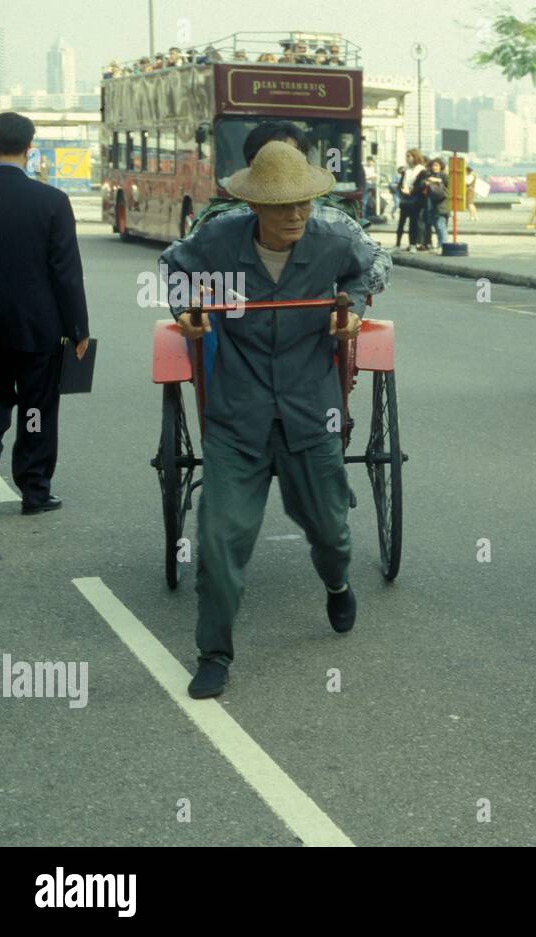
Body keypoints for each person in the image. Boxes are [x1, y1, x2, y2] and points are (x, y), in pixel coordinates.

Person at [160, 141, 384, 699]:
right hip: (238, 411)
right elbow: (171, 269)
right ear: (254, 206)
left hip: (312, 407)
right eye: (283, 207)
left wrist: (353, 307)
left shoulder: (334, 239)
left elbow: (374, 267)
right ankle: (213, 653)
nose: (296, 216)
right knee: (219, 537)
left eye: (304, 204)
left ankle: (336, 582)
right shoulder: (216, 239)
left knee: (330, 530)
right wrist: (185, 311)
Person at [0, 113, 90, 515]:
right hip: (37, 328)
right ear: (31, 149)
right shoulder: (52, 201)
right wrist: (77, 327)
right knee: (34, 408)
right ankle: (34, 490)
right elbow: (65, 272)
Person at [188, 121, 390, 298]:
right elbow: (180, 261)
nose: (294, 215)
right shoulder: (224, 224)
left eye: (294, 159)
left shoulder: (334, 220)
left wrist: (349, 288)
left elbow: (378, 260)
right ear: (253, 166)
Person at [394, 148, 423, 251]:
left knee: (413, 223)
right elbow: (400, 183)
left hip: (415, 200)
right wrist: (401, 189)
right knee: (401, 223)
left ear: (415, 157)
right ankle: (397, 244)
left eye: (409, 156)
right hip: (405, 199)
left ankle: (412, 244)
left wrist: (411, 191)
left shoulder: (421, 170)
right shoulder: (406, 170)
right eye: (406, 156)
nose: (407, 159)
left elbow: (421, 185)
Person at [425, 157, 451, 249]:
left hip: (443, 205)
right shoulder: (429, 176)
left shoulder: (444, 176)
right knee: (437, 226)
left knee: (441, 226)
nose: (434, 167)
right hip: (433, 205)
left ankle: (444, 245)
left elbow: (450, 186)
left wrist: (438, 181)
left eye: (436, 165)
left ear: (441, 166)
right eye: (433, 165)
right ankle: (440, 245)